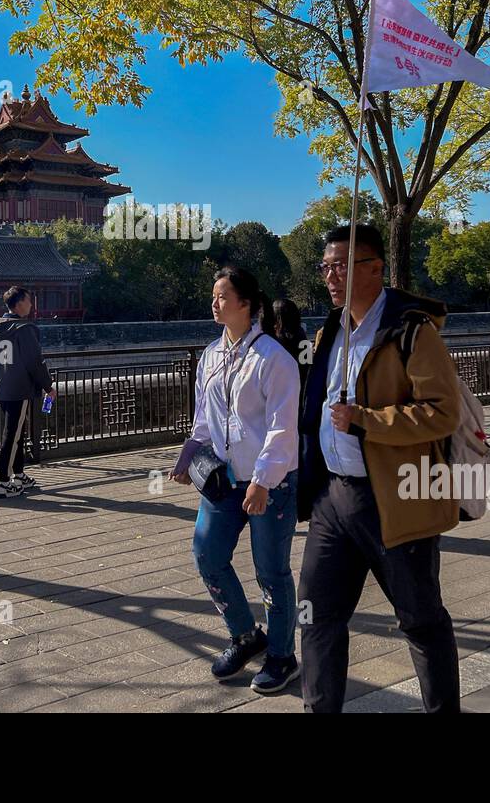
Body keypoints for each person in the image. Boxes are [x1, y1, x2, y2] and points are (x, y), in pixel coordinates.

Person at [297, 223, 462, 714]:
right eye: (325, 266)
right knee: (317, 615)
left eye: (341, 266)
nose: (330, 275)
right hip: (333, 498)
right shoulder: (330, 329)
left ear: (374, 268)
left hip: (395, 496)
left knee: (420, 618)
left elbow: (441, 412)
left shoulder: (412, 330)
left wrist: (365, 421)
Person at [172, 267, 301, 694]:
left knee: (271, 571)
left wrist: (263, 480)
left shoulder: (274, 359)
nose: (215, 302)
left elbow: (283, 429)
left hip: (270, 482)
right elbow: (206, 419)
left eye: (223, 296)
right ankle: (245, 634)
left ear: (247, 304)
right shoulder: (211, 355)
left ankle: (283, 655)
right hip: (224, 480)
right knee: (206, 553)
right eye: (214, 295)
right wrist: (189, 454)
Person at [0, 285, 55, 498]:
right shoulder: (24, 329)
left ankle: (19, 473)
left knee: (16, 432)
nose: (31, 305)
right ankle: (4, 482)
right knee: (12, 435)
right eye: (29, 301)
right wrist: (48, 386)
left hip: (1, 387)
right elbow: (35, 362)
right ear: (19, 303)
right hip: (19, 387)